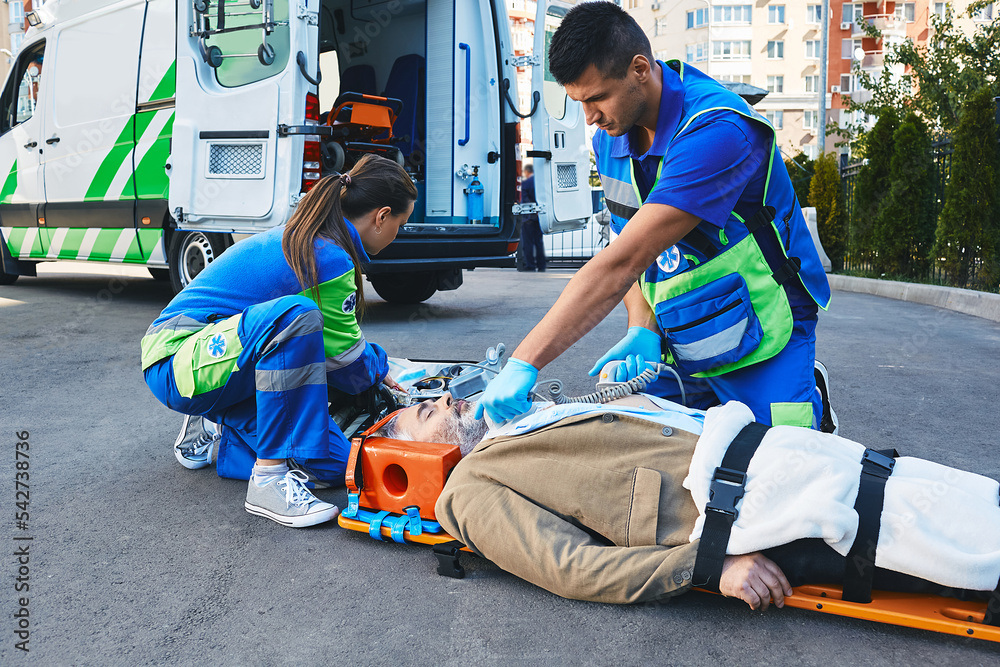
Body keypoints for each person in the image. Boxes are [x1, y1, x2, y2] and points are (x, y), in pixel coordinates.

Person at [477, 3, 834, 432]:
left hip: (765, 322)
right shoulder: (611, 139)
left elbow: (623, 262)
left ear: (640, 69)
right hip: (687, 326)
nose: (589, 117)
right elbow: (624, 242)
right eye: (579, 102)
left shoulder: (718, 130)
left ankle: (805, 397)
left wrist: (524, 361)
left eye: (596, 98)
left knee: (777, 461)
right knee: (650, 447)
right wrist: (642, 328)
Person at [376, 392, 1000, 610]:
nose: (449, 403)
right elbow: (568, 567)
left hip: (759, 449)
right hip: (741, 505)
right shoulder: (469, 490)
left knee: (921, 484)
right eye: (428, 413)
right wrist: (709, 566)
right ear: (419, 457)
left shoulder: (513, 423)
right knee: (936, 534)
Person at [142, 154, 418, 528]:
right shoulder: (331, 255)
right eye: (400, 224)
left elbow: (338, 346)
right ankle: (268, 480)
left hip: (214, 361)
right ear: (381, 216)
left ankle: (218, 429)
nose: (397, 234)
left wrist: (372, 366)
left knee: (337, 465)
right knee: (297, 317)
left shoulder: (317, 238)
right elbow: (345, 361)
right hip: (176, 360)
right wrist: (380, 368)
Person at [518, 164, 546, 272]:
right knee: (539, 242)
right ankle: (541, 265)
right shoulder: (541, 183)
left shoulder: (526, 183)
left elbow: (523, 200)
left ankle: (530, 265)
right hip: (539, 215)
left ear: (526, 172)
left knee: (528, 242)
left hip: (528, 217)